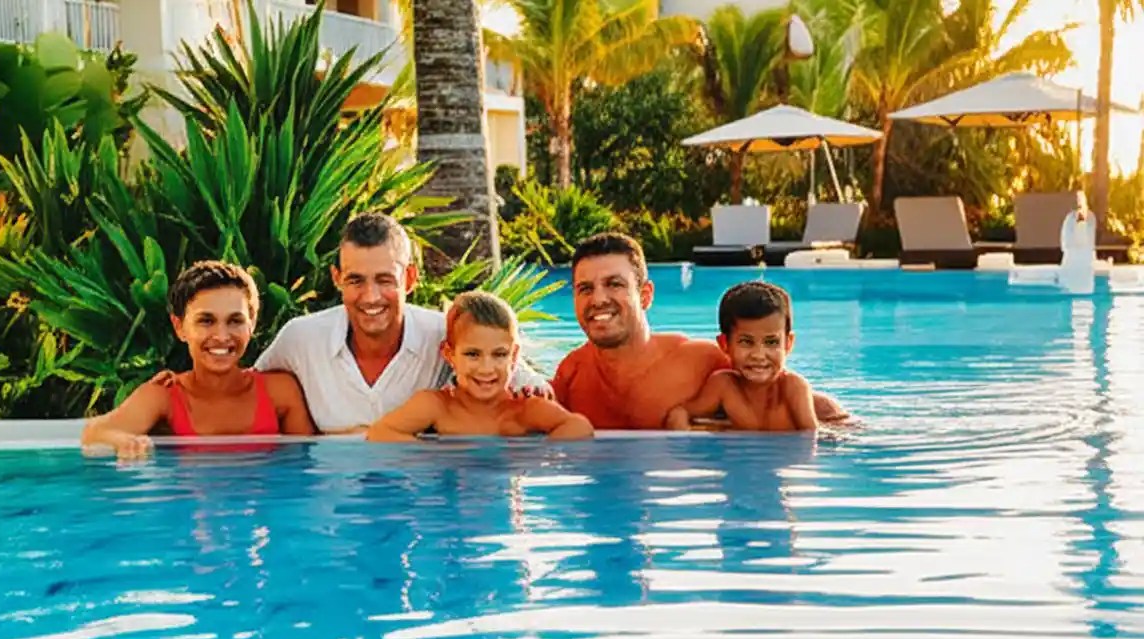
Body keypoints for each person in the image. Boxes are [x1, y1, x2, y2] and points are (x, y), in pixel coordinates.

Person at [253, 213, 550, 434]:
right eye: (356, 280)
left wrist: (533, 386)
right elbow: (246, 386)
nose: (371, 297)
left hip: (420, 499)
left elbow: (508, 366)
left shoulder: (443, 333)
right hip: (332, 497)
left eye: (385, 280)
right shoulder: (300, 337)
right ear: (337, 278)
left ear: (409, 279)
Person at [551, 232, 846, 430]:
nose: (598, 299)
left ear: (645, 296)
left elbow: (782, 392)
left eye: (614, 284)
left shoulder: (698, 362)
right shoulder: (572, 374)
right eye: (585, 289)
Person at [81, 261, 316, 458]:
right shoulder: (164, 395)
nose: (222, 336)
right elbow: (94, 434)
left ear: (251, 323)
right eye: (206, 321)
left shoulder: (280, 393)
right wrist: (123, 442)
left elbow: (308, 467)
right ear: (179, 326)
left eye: (235, 320)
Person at [366, 291, 593, 442]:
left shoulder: (524, 411)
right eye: (473, 354)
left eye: (499, 355)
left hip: (506, 512)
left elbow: (580, 427)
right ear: (449, 355)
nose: (486, 368)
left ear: (514, 356)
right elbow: (379, 433)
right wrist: (433, 458)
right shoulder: (436, 407)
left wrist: (533, 457)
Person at [665, 281, 817, 432]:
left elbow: (811, 439)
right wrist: (682, 431)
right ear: (725, 344)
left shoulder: (793, 387)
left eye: (771, 342)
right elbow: (681, 412)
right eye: (746, 342)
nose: (758, 355)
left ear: (788, 344)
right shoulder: (724, 385)